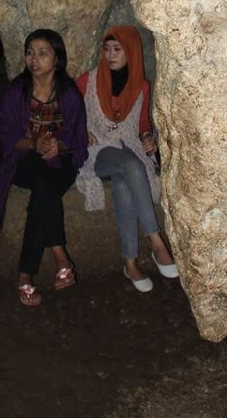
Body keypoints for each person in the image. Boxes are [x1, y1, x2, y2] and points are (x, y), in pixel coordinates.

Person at [0, 29, 88, 306]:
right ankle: (60, 256)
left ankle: (25, 276)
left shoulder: (68, 94)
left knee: (43, 191)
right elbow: (7, 137)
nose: (35, 59)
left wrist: (59, 146)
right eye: (30, 52)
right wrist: (34, 142)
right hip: (24, 160)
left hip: (62, 160)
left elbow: (76, 138)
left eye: (43, 53)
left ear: (57, 59)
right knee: (44, 181)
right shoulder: (15, 93)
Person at [75, 25, 178, 292]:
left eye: (117, 49)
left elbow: (143, 123)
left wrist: (147, 137)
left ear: (130, 51)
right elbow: (70, 114)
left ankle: (130, 263)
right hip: (97, 151)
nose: (110, 54)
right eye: (107, 49)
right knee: (131, 166)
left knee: (123, 182)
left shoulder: (141, 85)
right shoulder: (88, 80)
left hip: (128, 147)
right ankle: (156, 240)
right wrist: (82, 131)